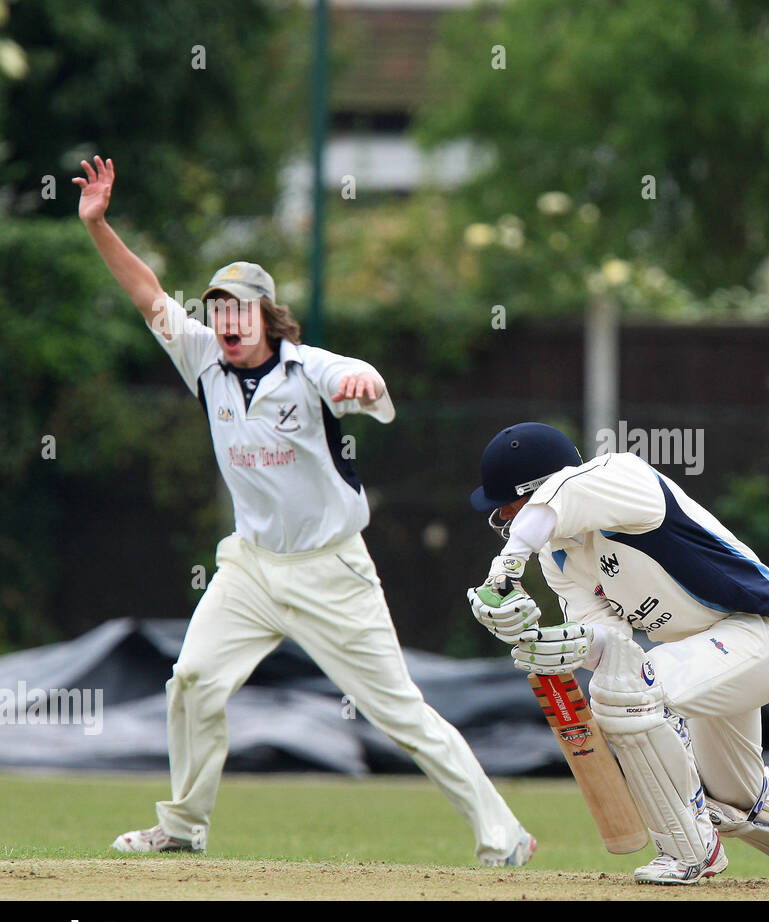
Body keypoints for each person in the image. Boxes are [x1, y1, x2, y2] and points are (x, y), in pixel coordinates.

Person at [74, 156, 533, 867]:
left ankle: (504, 834)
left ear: (264, 315)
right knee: (192, 679)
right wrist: (99, 224)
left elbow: (365, 380)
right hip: (251, 567)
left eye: (238, 309)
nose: (226, 322)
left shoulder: (305, 366)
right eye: (217, 309)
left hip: (331, 571)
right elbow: (146, 292)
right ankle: (184, 826)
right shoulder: (203, 362)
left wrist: (361, 378)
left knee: (398, 713)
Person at [464, 422, 769, 885]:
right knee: (733, 789)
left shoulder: (622, 478)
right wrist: (562, 645)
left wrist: (503, 572)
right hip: (695, 654)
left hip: (760, 634)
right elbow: (611, 645)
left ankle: (689, 850)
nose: (503, 515)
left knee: (624, 693)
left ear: (536, 489)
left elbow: (556, 496)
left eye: (509, 504)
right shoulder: (557, 555)